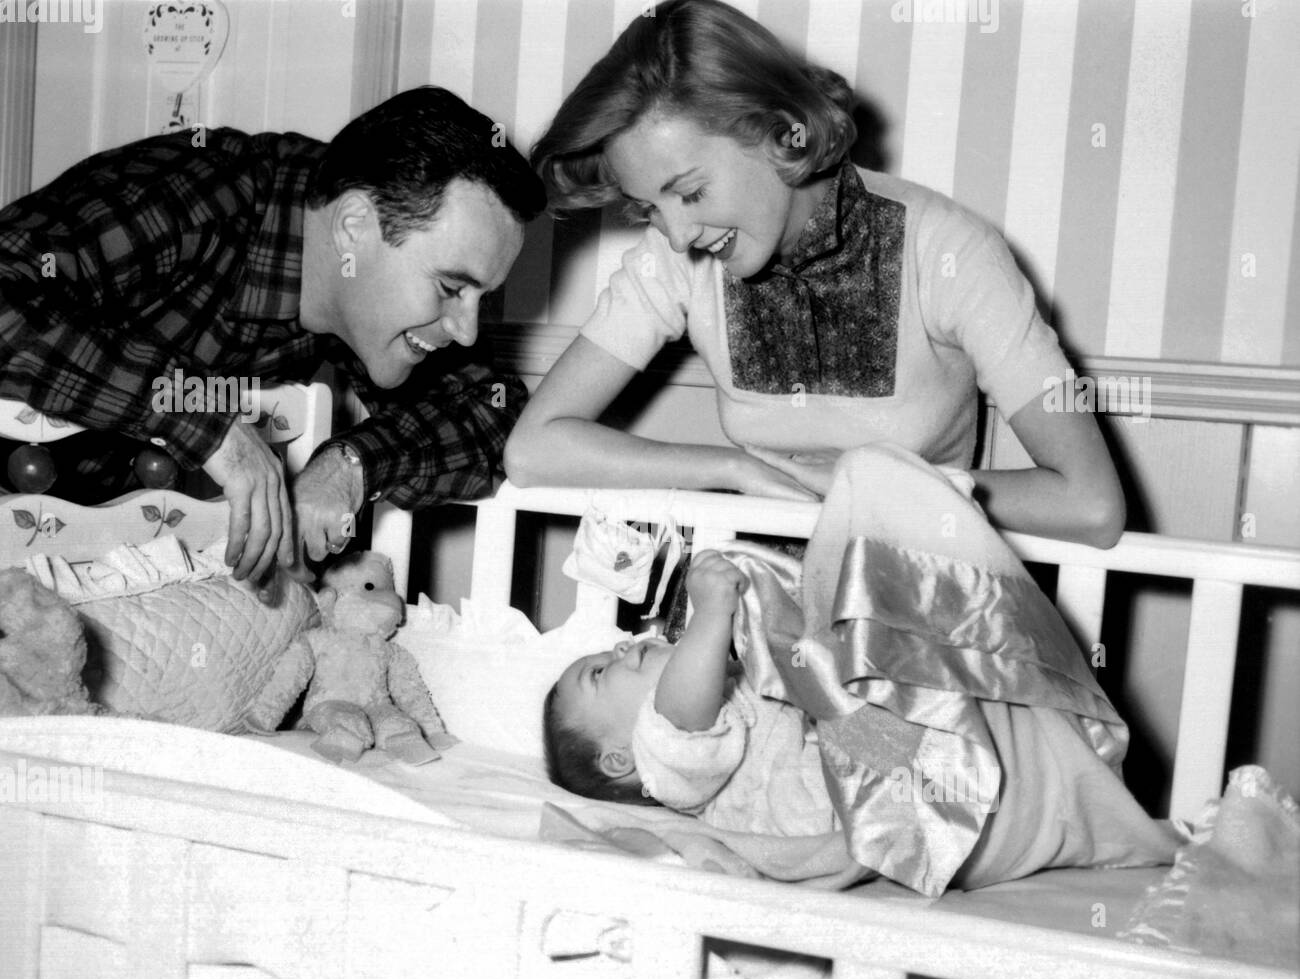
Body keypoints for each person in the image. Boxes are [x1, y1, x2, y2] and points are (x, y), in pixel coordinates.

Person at [507, 0, 1124, 547]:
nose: (675, 235)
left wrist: (873, 488)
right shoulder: (672, 257)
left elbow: (1090, 504)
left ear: (780, 135)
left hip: (917, 605)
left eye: (690, 193)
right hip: (748, 592)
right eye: (648, 207)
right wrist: (731, 470)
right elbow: (533, 450)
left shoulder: (951, 250)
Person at [0, 86, 545, 582]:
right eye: (451, 287)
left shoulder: (345, 280)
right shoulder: (200, 196)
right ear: (354, 227)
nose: (467, 331)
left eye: (482, 298)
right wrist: (204, 420)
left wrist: (350, 465)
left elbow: (491, 409)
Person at [544, 550, 837, 838]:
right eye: (598, 672)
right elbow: (681, 711)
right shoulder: (661, 761)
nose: (620, 647)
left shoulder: (719, 685)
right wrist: (710, 610)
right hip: (820, 803)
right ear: (618, 759)